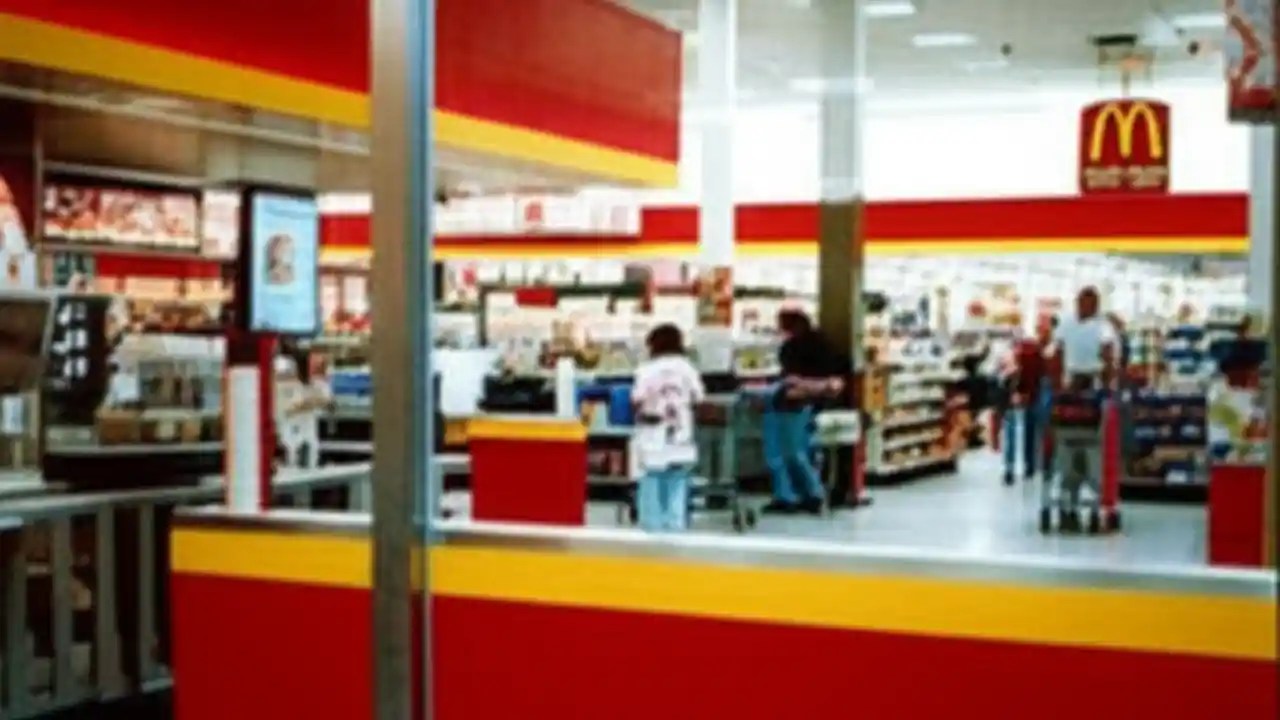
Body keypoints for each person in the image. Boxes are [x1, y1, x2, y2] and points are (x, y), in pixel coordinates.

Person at [1046, 287, 1117, 522]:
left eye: (1091, 303)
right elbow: (1056, 354)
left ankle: (1094, 496)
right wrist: (1057, 387)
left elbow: (1108, 358)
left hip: (1093, 392)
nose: (1087, 307)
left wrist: (1106, 387)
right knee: (1066, 451)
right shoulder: (1065, 325)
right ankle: (1069, 496)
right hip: (1069, 392)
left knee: (1092, 453)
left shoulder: (1104, 327)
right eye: (1083, 302)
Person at [762, 310, 843, 515]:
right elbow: (833, 382)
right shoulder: (824, 345)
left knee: (782, 453)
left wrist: (797, 384)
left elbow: (790, 378)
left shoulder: (793, 348)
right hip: (809, 405)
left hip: (791, 404)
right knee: (799, 452)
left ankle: (796, 494)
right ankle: (807, 494)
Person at [632, 324, 704, 532]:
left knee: (651, 481)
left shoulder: (646, 369)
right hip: (680, 431)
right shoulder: (688, 368)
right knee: (677, 480)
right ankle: (675, 526)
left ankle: (652, 527)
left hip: (652, 430)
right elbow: (698, 398)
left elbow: (637, 399)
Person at [1000, 328, 1050, 484]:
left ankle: (1009, 469)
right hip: (1033, 396)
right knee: (1031, 432)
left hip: (1012, 397)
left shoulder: (1009, 353)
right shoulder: (1038, 352)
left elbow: (1004, 377)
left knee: (1011, 433)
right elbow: (1043, 375)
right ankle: (1030, 466)